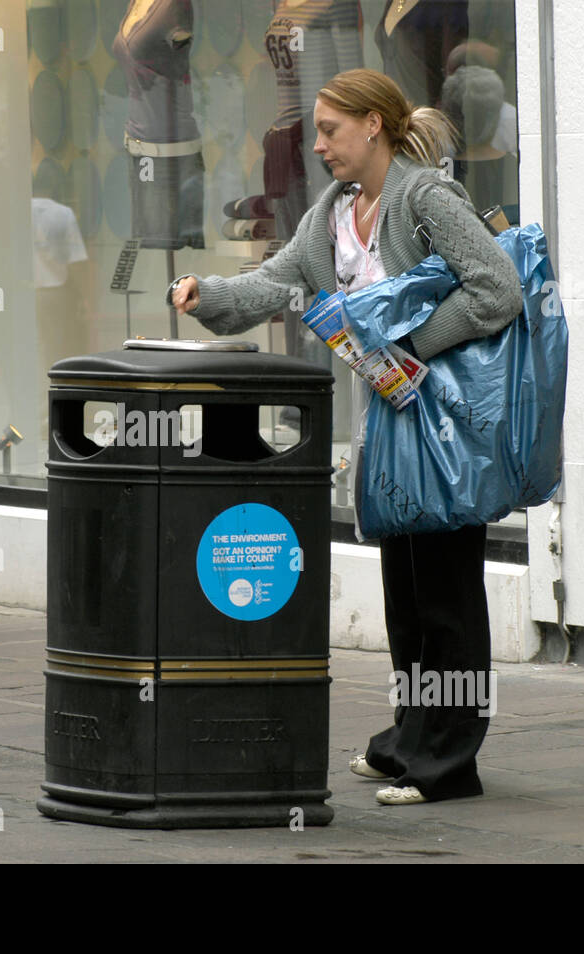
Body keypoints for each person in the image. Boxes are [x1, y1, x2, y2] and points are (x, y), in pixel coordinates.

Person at [170, 68, 520, 805]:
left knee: (447, 593)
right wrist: (209, 297)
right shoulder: (332, 214)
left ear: (374, 126)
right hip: (392, 425)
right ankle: (410, 738)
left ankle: (448, 761)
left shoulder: (425, 197)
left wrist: (414, 344)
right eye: (318, 132)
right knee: (406, 593)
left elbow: (498, 288)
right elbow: (275, 284)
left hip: (444, 425)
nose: (319, 145)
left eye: (330, 130)